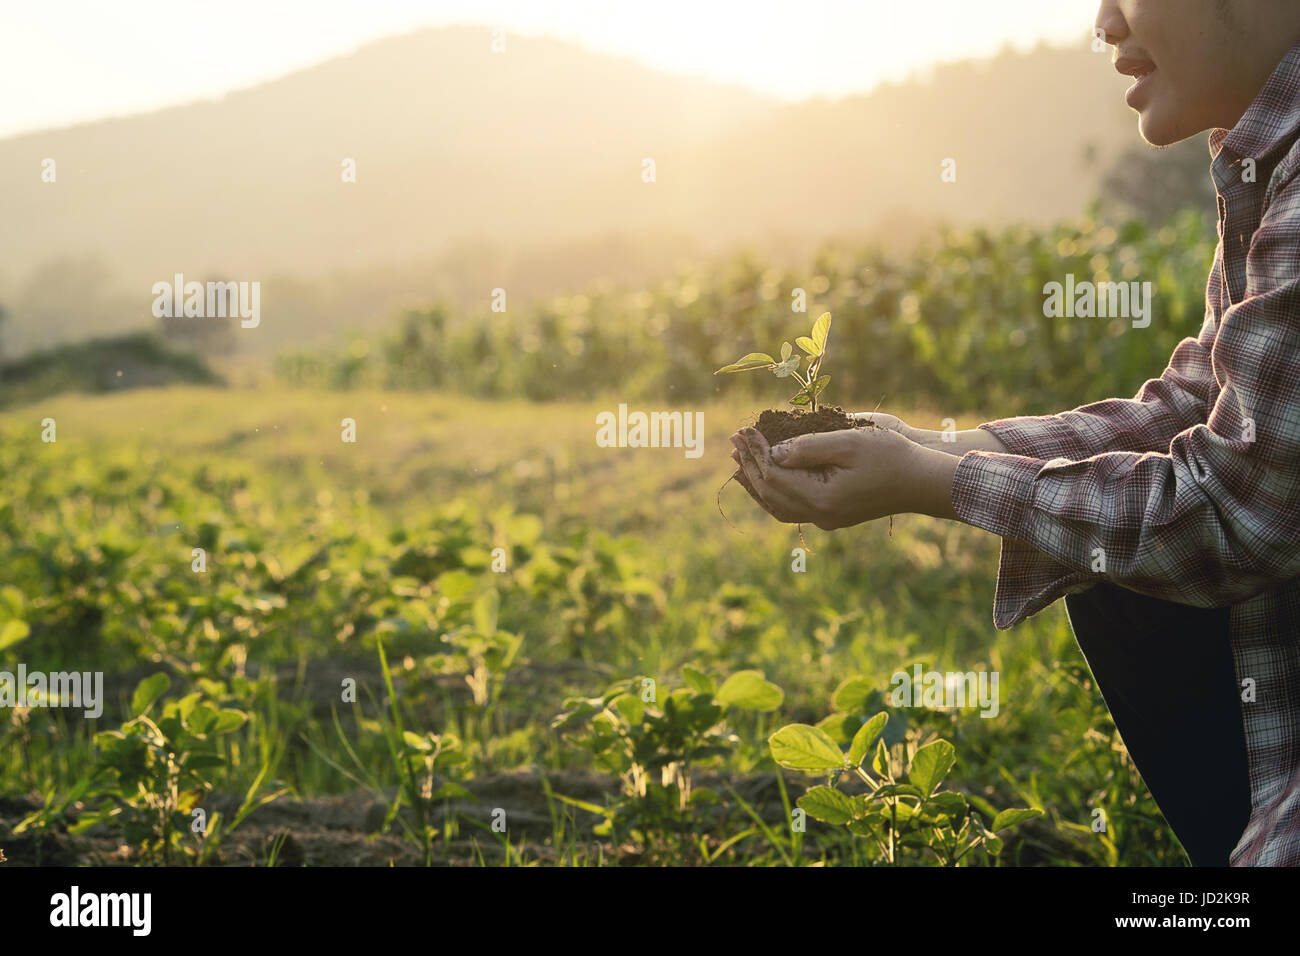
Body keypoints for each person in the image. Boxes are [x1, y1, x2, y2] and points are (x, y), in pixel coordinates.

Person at [730, 0, 1300, 866]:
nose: (1104, 23)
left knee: (1128, 545)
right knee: (1113, 560)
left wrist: (933, 483)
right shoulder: (1267, 156)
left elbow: (1232, 516)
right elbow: (1198, 400)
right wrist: (935, 447)